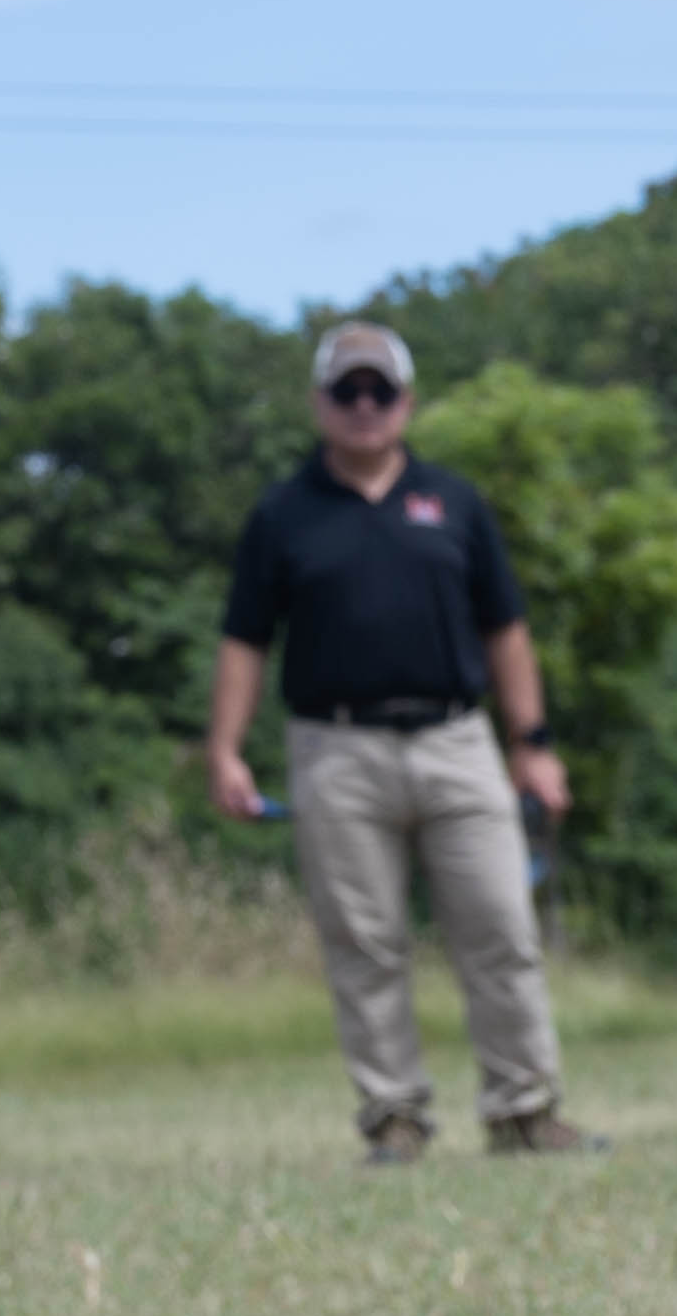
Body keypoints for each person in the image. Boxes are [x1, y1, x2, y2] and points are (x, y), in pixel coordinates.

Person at [208, 322, 606, 1165]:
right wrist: (225, 750)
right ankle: (392, 1118)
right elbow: (244, 640)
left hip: (457, 740)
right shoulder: (281, 514)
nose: (364, 405)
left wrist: (532, 743)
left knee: (501, 925)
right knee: (363, 942)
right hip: (334, 747)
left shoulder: (455, 502)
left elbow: (507, 630)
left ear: (406, 401)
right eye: (346, 390)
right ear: (319, 402)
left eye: (379, 390)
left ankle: (524, 1111)